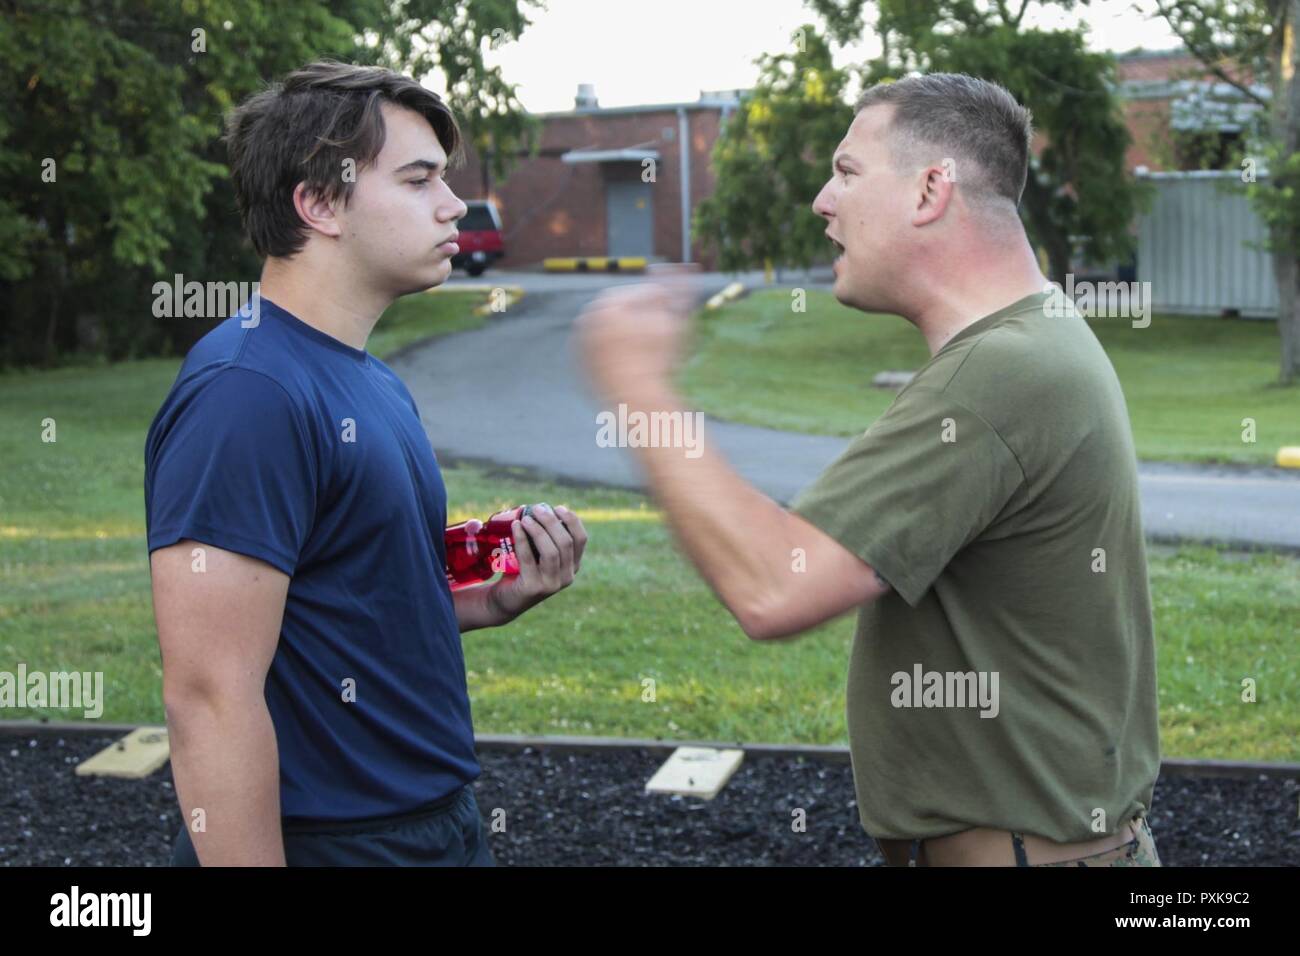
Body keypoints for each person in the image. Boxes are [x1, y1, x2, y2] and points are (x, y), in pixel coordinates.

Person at [577, 73, 1160, 867]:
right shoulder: (1039, 338)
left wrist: (639, 387)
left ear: (929, 189)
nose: (822, 199)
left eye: (848, 172)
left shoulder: (1001, 374)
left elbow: (775, 585)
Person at [145, 61, 587, 867]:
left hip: (430, 823)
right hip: (333, 844)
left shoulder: (368, 378)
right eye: (419, 181)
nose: (453, 205)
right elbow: (210, 697)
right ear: (317, 203)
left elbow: (342, 599)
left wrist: (485, 598)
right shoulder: (247, 393)